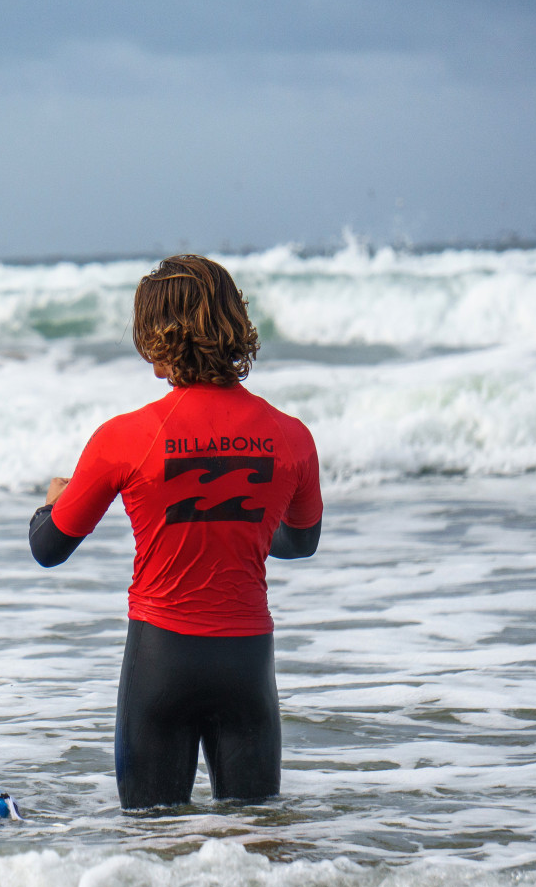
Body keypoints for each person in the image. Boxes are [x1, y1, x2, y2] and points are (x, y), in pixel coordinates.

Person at [29, 255, 322, 810]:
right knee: (258, 846)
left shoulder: (124, 437)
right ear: (234, 324)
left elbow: (48, 549)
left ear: (153, 341)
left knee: (152, 841)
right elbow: (300, 541)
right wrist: (245, 527)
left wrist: (50, 505)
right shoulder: (291, 436)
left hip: (161, 664)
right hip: (248, 669)